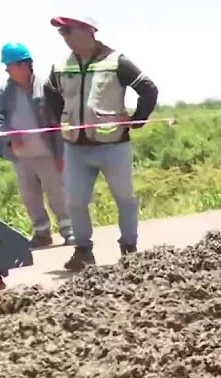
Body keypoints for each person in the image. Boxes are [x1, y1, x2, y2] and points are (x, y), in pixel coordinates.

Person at [44, 14, 158, 272]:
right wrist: (64, 118)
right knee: (75, 201)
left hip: (113, 144)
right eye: (61, 33)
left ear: (88, 30)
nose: (65, 37)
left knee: (125, 198)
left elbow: (149, 90)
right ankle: (83, 252)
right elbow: (50, 92)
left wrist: (137, 120)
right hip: (75, 147)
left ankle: (129, 250)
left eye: (68, 31)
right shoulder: (61, 67)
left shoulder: (117, 62)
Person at [0, 42, 72, 249]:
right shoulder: (3, 93)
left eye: (9, 65)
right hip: (21, 156)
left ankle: (69, 230)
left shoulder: (46, 88)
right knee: (30, 196)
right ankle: (41, 232)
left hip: (47, 153)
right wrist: (10, 135)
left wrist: (61, 153)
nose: (6, 70)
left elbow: (59, 119)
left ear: (24, 65)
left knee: (57, 192)